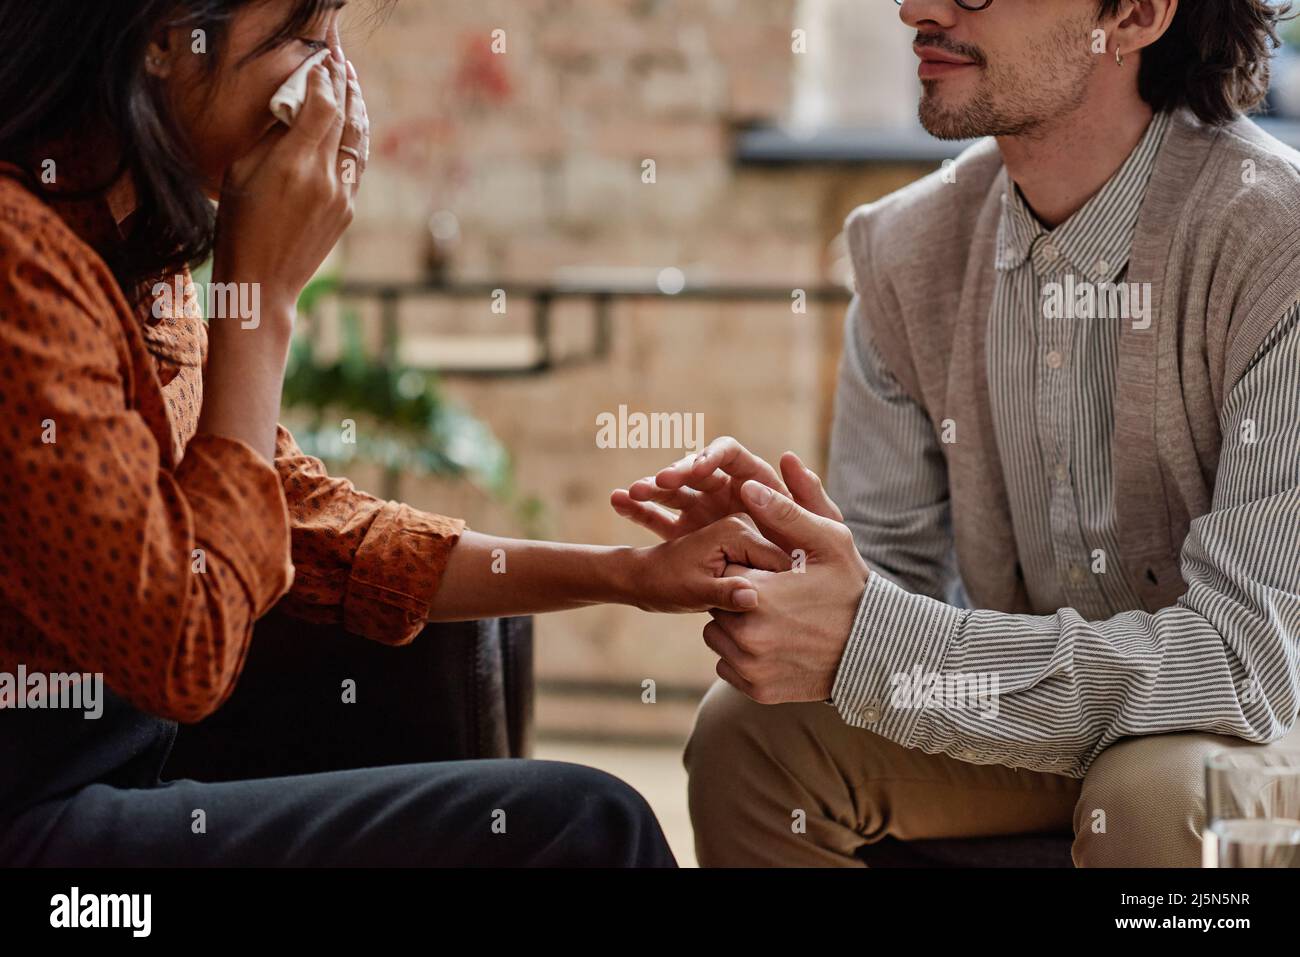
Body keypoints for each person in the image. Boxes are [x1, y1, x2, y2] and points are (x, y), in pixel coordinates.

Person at [0, 0, 788, 867]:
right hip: (36, 815)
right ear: (160, 37)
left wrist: (629, 574)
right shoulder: (22, 262)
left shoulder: (130, 240)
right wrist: (261, 306)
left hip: (111, 779)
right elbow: (185, 650)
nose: (333, 78)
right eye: (303, 37)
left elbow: (295, 515)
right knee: (584, 828)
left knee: (525, 748)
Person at [613, 0, 1300, 867]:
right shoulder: (905, 252)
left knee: (1151, 798)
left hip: (1267, 727)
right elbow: (885, 590)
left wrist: (874, 637)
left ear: (1132, 15)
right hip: (1043, 708)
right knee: (751, 732)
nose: (917, 9)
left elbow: (1244, 664)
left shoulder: (1277, 241)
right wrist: (796, 576)